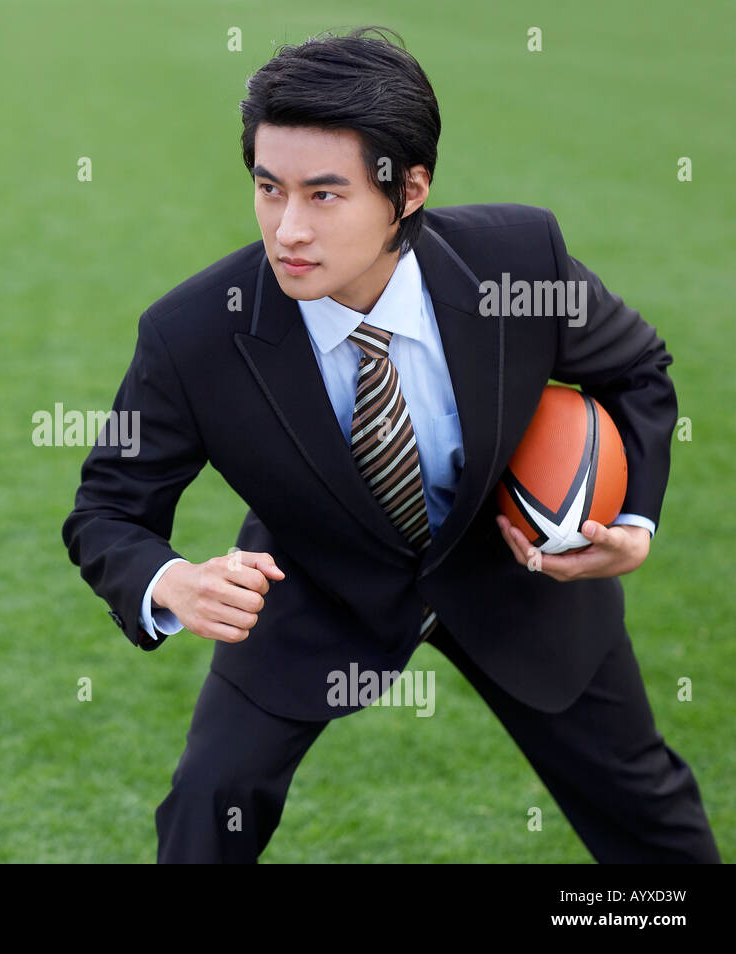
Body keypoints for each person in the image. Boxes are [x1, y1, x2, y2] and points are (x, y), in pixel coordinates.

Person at [60, 26, 720, 863]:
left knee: (644, 807)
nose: (287, 228)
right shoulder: (192, 335)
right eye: (269, 188)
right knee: (208, 802)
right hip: (312, 580)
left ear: (409, 190)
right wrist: (172, 581)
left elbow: (637, 371)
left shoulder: (517, 258)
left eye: (323, 195)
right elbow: (107, 508)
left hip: (515, 564)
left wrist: (634, 525)